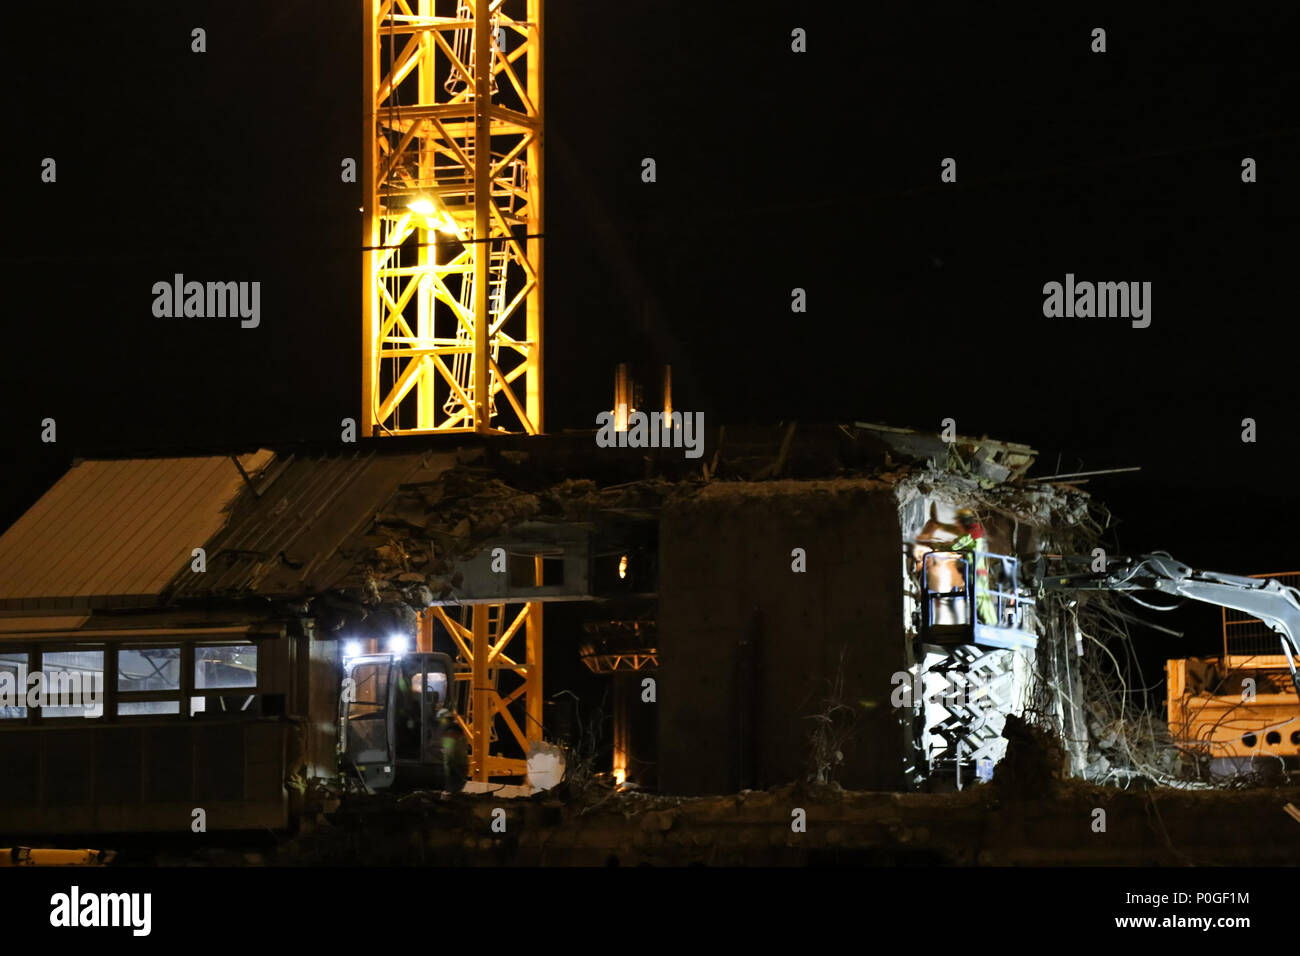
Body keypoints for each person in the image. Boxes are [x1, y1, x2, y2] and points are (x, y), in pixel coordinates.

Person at [951, 508, 997, 625]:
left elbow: (954, 546)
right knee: (984, 599)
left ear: (963, 522)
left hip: (974, 572)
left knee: (979, 599)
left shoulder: (970, 535)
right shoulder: (977, 532)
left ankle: (990, 625)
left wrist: (935, 545)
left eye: (958, 523)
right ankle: (994, 624)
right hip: (980, 572)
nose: (957, 525)